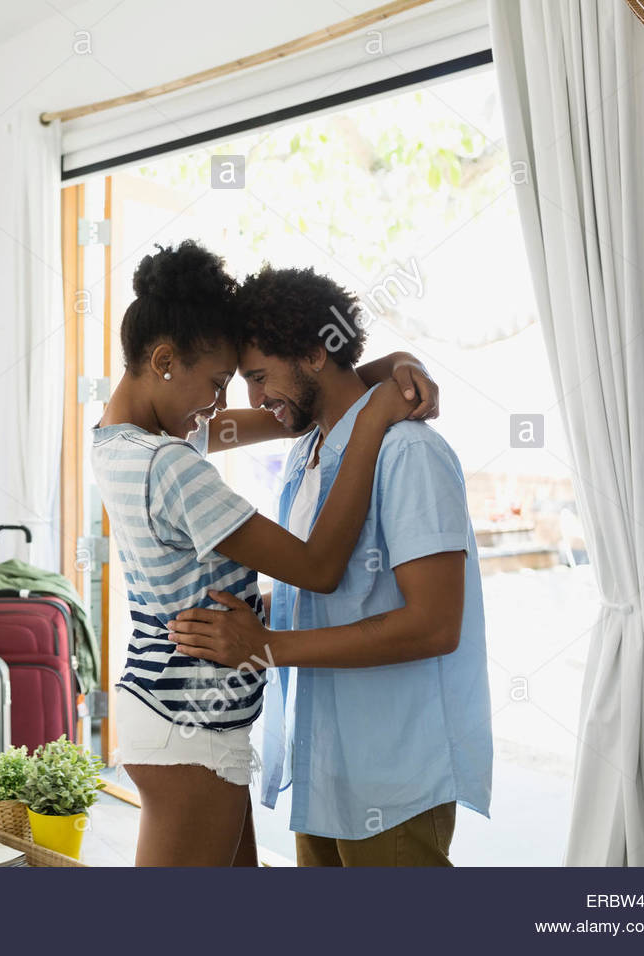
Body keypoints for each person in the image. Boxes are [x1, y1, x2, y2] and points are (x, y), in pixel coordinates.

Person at [92, 241, 437, 866]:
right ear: (165, 360)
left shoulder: (124, 442)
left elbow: (294, 413)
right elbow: (318, 567)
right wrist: (379, 413)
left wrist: (395, 366)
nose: (223, 405)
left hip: (175, 716)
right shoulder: (167, 465)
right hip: (188, 727)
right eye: (219, 382)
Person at [169, 265, 493, 867]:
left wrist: (265, 646)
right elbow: (339, 591)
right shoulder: (306, 453)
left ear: (316, 355)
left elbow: (435, 625)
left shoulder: (409, 453)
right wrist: (251, 618)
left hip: (391, 772)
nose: (254, 399)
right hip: (323, 765)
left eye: (260, 377)